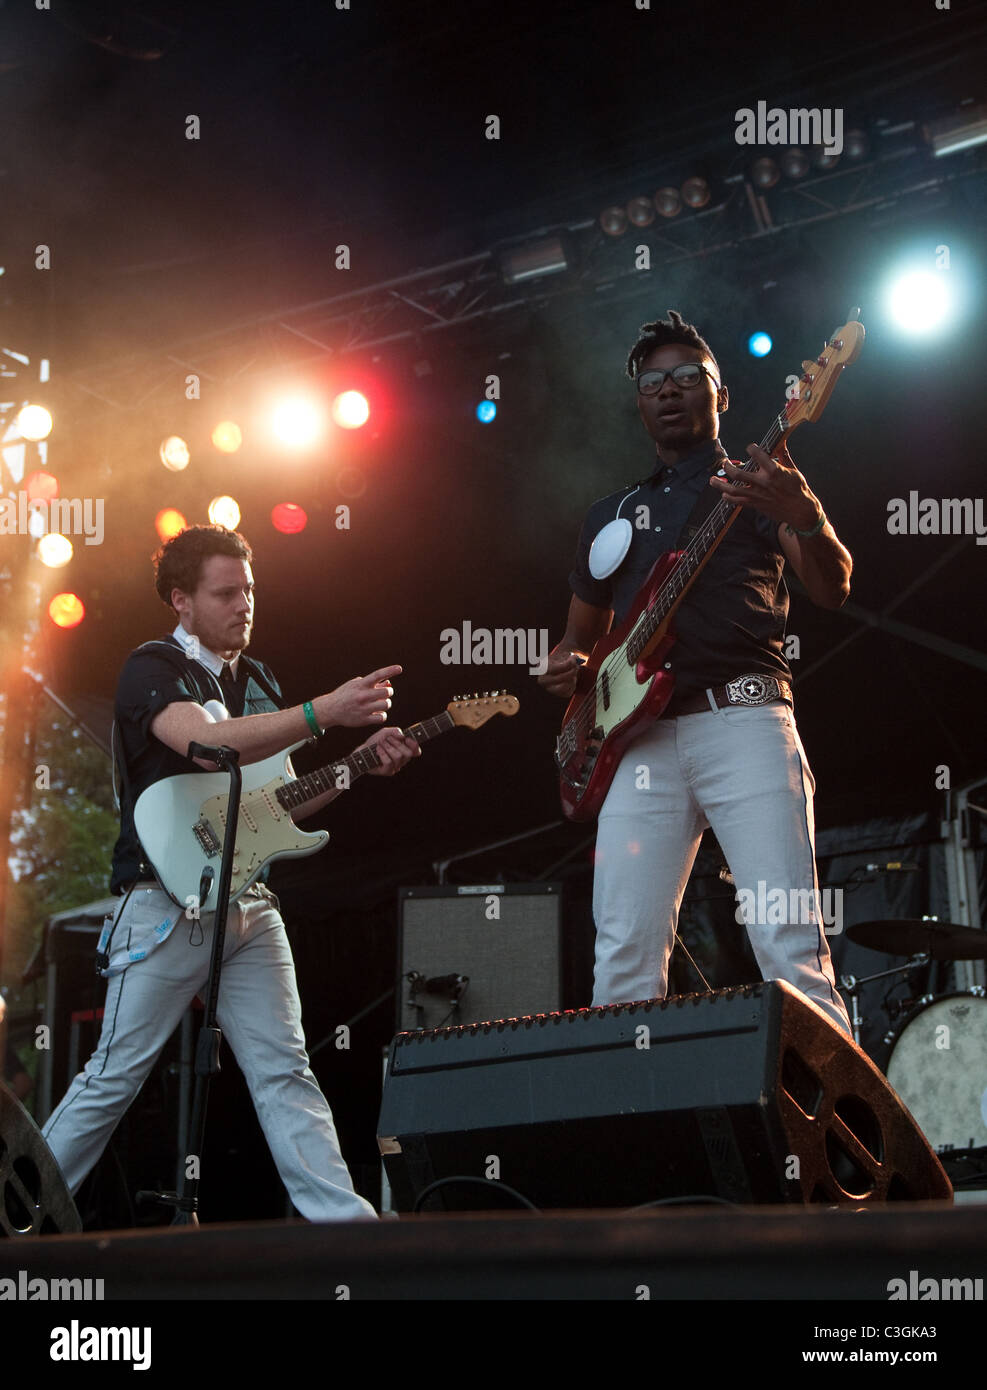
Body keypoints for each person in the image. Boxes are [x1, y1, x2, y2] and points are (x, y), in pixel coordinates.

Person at [42, 524, 420, 1219]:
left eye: (248, 589)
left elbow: (280, 803)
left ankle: (346, 1227)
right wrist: (322, 712)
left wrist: (361, 760)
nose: (243, 603)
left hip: (249, 904)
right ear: (181, 601)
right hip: (166, 904)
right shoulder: (151, 667)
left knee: (285, 1069)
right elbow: (206, 744)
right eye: (225, 592)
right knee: (113, 1077)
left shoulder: (260, 680)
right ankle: (23, 1211)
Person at [538, 310, 852, 1035]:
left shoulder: (756, 481)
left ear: (722, 394)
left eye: (688, 377)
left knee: (789, 946)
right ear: (639, 401)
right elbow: (577, 643)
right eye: (653, 382)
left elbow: (833, 586)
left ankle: (838, 1144)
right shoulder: (608, 514)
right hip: (638, 744)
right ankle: (632, 1140)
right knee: (620, 958)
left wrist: (804, 516)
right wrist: (568, 673)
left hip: (742, 720)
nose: (669, 390)